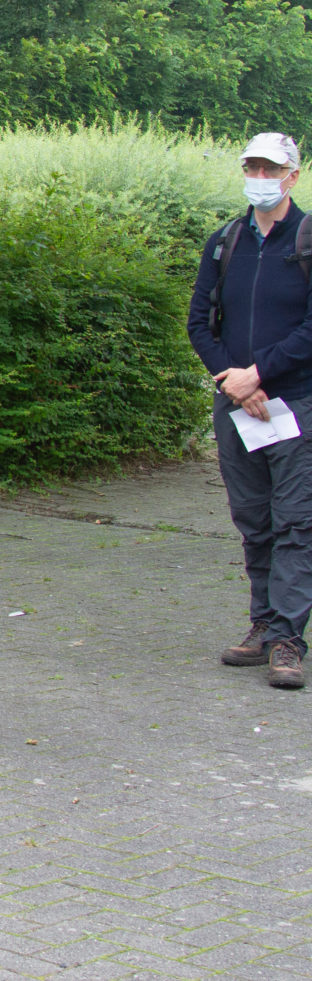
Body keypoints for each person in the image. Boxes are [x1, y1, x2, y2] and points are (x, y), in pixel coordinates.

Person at [187, 132, 312, 690]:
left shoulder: (307, 240)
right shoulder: (225, 242)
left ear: (293, 175)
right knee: (255, 522)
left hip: (297, 403)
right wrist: (235, 382)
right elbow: (199, 323)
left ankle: (288, 639)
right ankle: (262, 625)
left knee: (296, 523)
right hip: (237, 406)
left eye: (271, 169)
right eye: (252, 167)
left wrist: (259, 373)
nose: (260, 177)